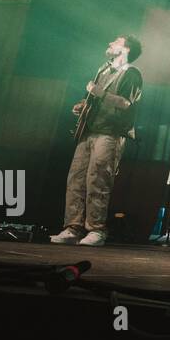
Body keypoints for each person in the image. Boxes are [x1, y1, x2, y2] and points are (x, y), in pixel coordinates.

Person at [50, 35, 143, 246]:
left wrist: (99, 93)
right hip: (89, 132)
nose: (110, 43)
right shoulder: (103, 69)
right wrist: (84, 105)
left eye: (115, 42)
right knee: (76, 180)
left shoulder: (131, 73)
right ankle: (73, 228)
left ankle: (97, 230)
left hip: (110, 134)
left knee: (98, 180)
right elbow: (94, 98)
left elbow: (126, 103)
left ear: (126, 49)